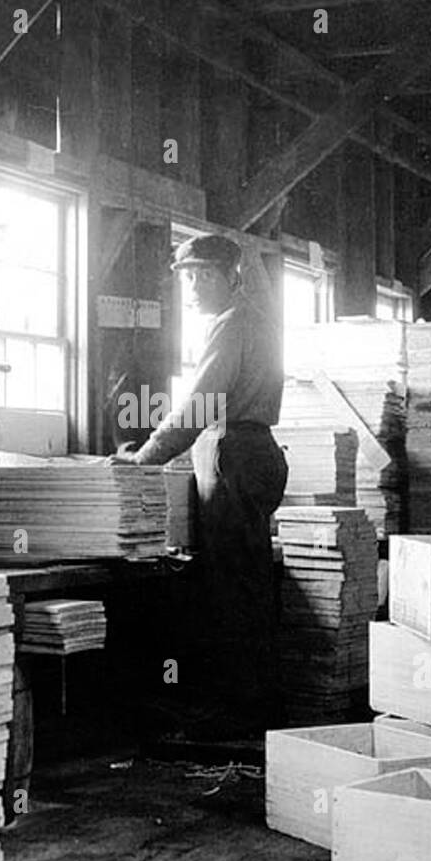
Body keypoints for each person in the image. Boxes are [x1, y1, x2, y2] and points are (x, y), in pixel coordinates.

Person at [109, 234, 288, 738]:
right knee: (244, 582)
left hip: (233, 452)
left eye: (193, 276)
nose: (188, 286)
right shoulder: (252, 318)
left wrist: (144, 459)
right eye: (186, 276)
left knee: (232, 588)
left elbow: (201, 408)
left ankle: (239, 713)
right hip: (250, 451)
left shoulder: (231, 325)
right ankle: (253, 704)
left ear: (217, 275)